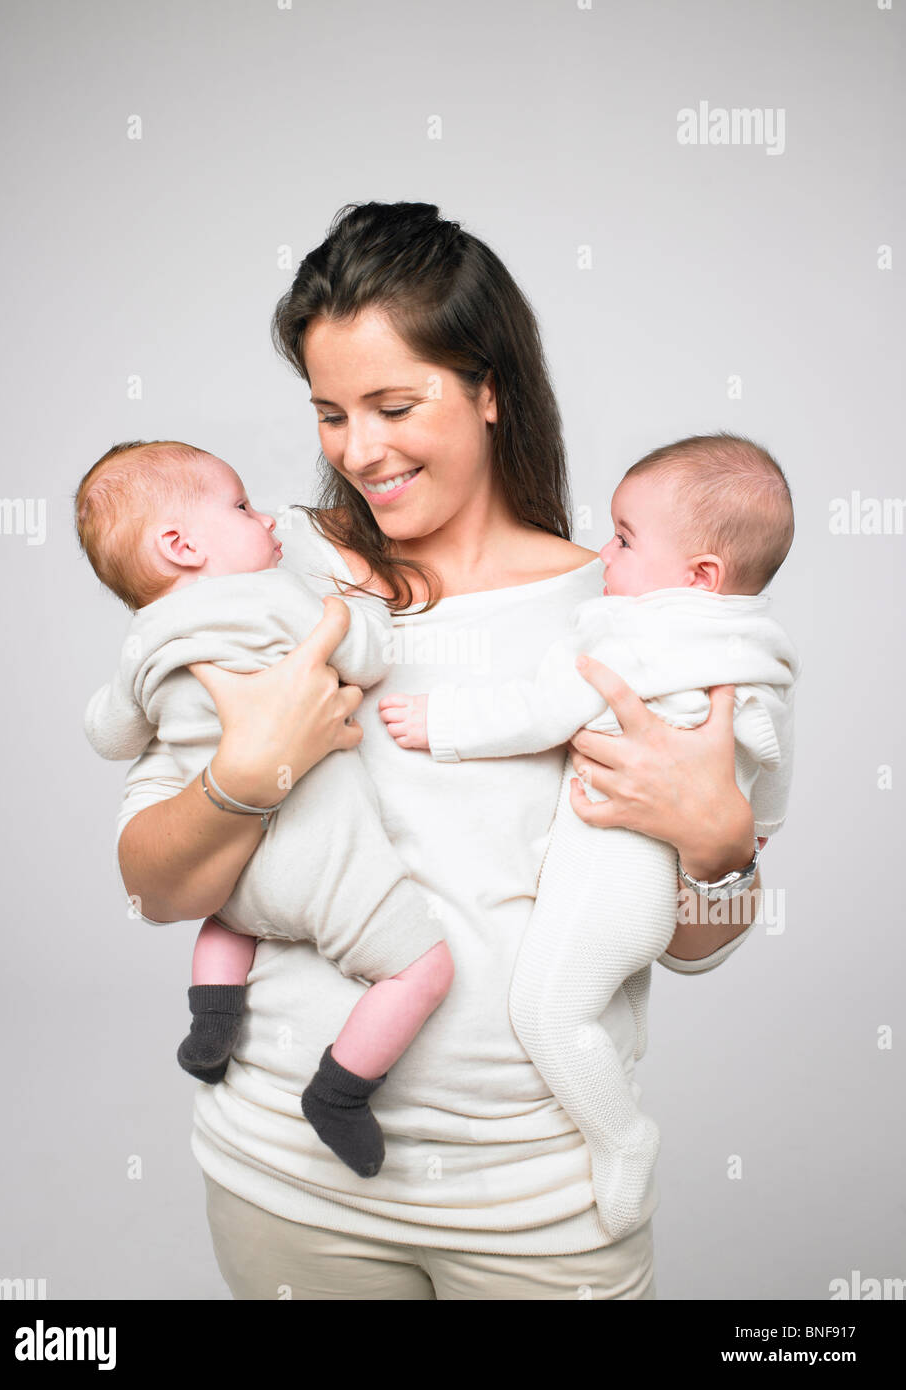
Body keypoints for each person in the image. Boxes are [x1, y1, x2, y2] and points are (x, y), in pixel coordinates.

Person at [114, 201, 772, 1300]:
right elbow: (154, 885)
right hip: (287, 1182)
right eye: (328, 414)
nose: (356, 451)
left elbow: (692, 944)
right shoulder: (261, 577)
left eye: (392, 404)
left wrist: (720, 850)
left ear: (487, 389)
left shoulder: (625, 605)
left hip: (535, 1201)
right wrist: (244, 774)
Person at [378, 432, 800, 1239]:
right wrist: (744, 829)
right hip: (638, 887)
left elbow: (540, 712)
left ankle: (621, 1137)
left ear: (697, 576)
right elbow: (771, 780)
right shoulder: (759, 655)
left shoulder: (634, 634)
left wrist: (445, 722)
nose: (603, 551)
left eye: (625, 538)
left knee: (545, 1012)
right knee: (602, 986)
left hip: (612, 869)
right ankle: (621, 1045)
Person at [76, 440, 453, 1179]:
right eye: (241, 506)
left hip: (231, 866)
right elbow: (367, 658)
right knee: (421, 971)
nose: (268, 518)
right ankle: (341, 1091)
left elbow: (110, 734)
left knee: (228, 918)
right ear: (180, 544)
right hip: (324, 859)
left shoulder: (144, 638)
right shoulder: (278, 593)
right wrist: (355, 598)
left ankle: (213, 1020)